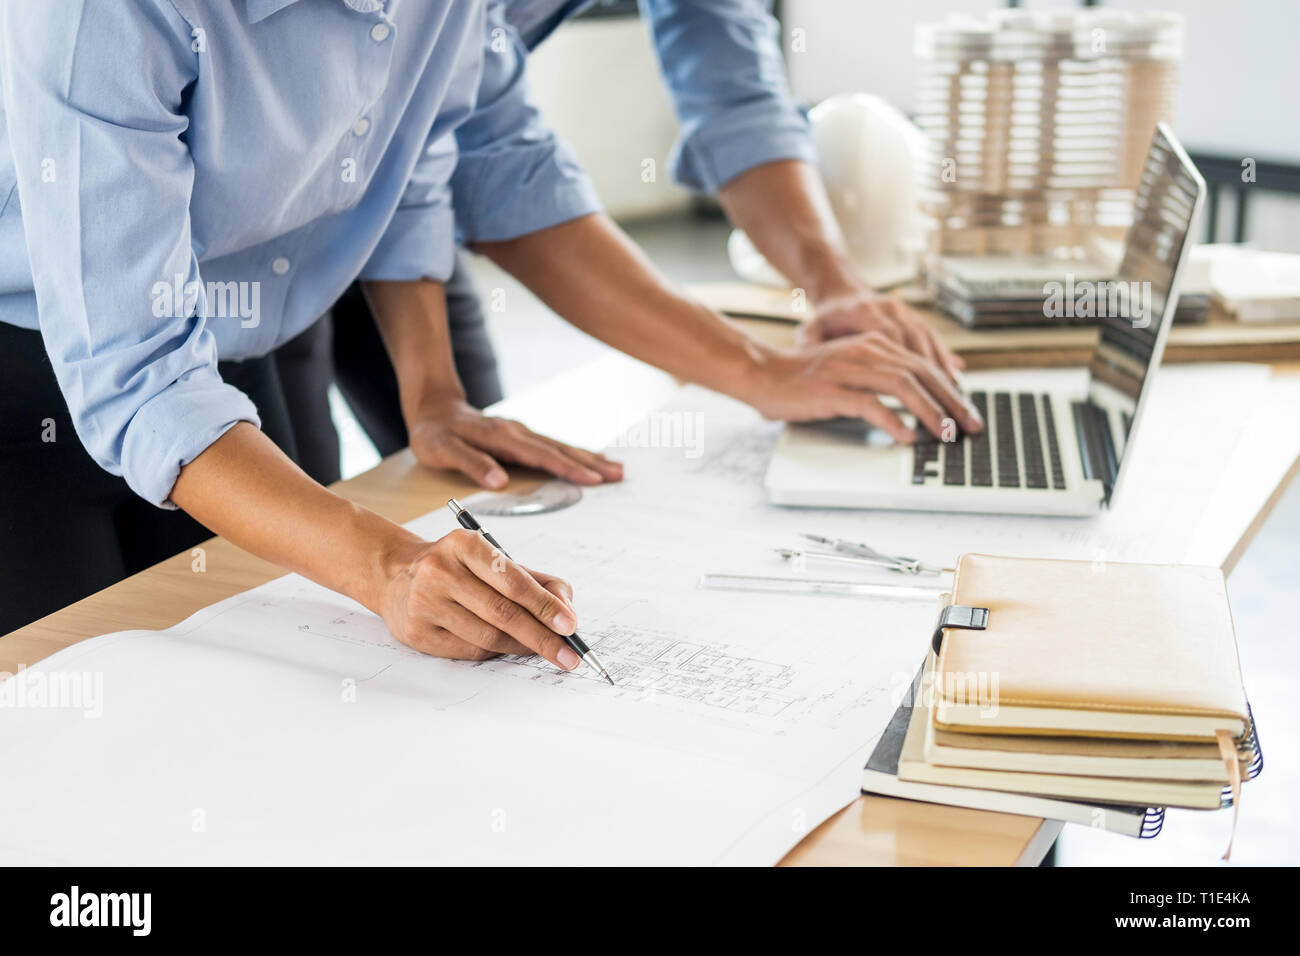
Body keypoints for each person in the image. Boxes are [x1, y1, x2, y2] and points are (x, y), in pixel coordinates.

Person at [0, 0, 979, 658]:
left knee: (266, 670)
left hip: (233, 353)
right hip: (29, 373)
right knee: (68, 728)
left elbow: (433, 146)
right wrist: (386, 564)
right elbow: (141, 381)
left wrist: (431, 389)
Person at [291, 0, 974, 490]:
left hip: (408, 198)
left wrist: (832, 286)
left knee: (487, 471)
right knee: (284, 502)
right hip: (236, 256)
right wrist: (760, 372)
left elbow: (737, 98)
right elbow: (501, 168)